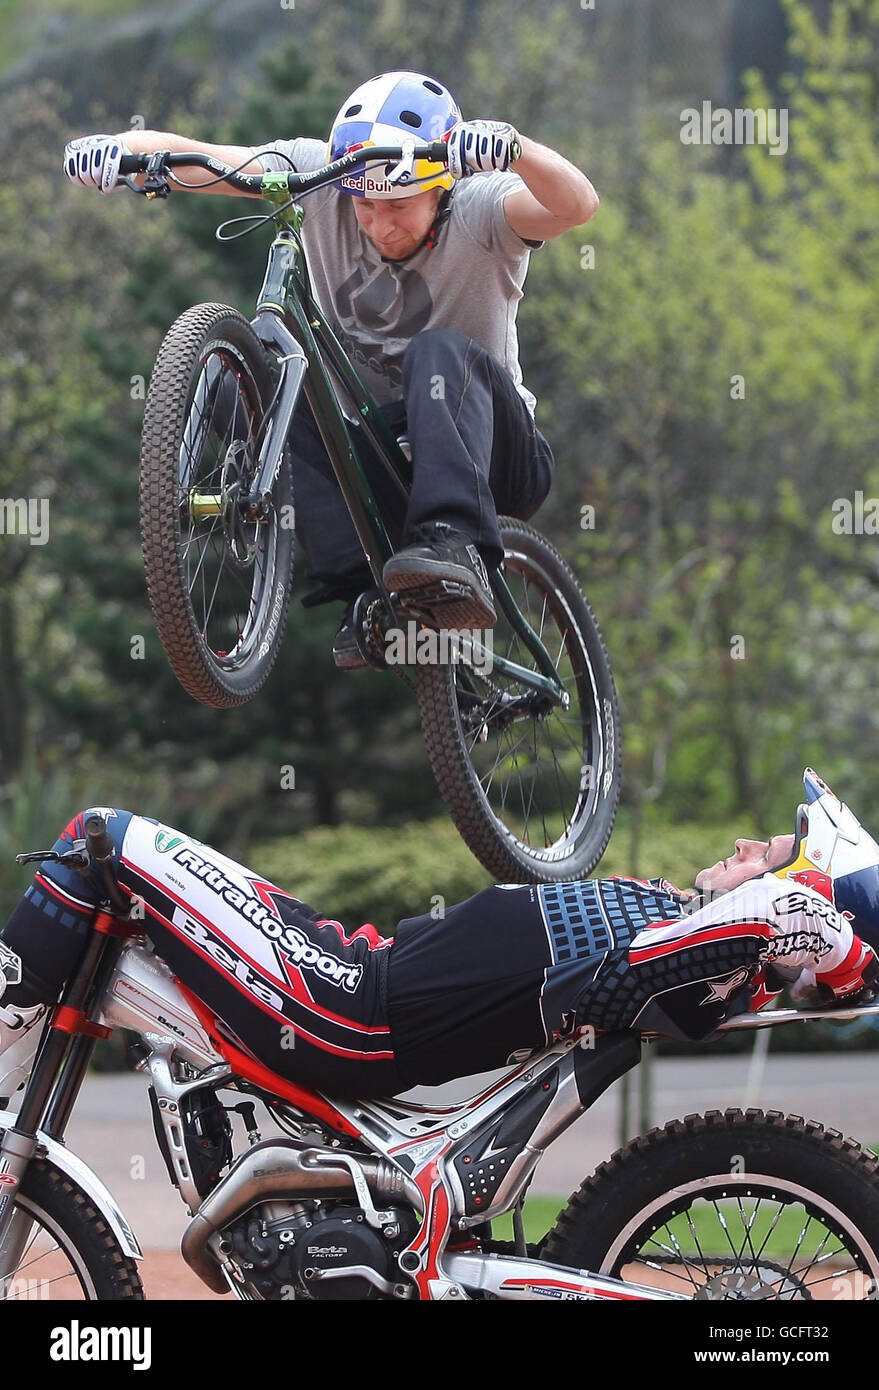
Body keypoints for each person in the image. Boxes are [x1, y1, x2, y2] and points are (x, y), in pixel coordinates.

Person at [63, 71, 599, 666]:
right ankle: (361, 594)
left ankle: (452, 543)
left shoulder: (483, 210)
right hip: (383, 459)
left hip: (495, 456)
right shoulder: (319, 178)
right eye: (364, 205)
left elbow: (577, 205)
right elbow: (207, 159)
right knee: (243, 389)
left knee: (436, 353)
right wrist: (118, 151)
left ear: (440, 185)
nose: (379, 224)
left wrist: (516, 149)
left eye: (398, 205)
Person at [1, 768, 876, 1107]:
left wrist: (839, 956)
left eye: (763, 851)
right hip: (346, 968)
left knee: (98, 835)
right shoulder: (697, 943)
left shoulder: (702, 969)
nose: (738, 849)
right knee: (108, 918)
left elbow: (769, 926)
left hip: (343, 1006)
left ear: (796, 890)